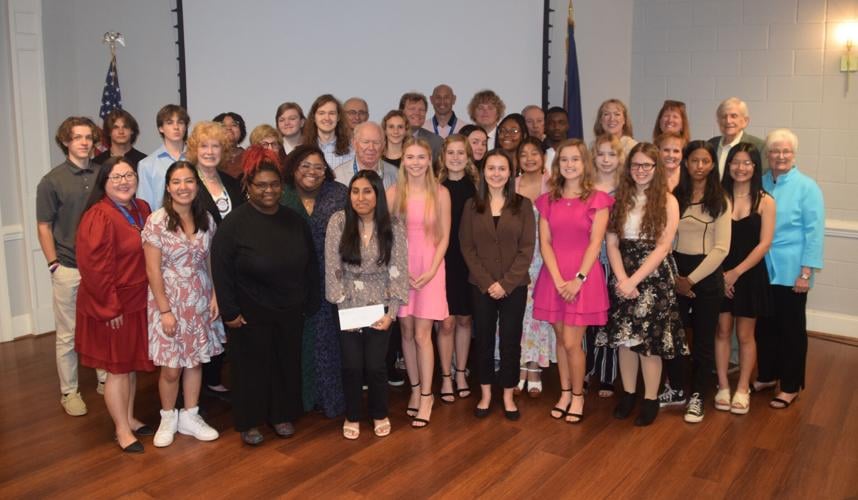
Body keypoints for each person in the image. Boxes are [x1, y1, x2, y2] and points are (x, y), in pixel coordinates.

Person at [211, 147, 320, 445]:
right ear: (248, 186)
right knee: (252, 370)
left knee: (285, 364)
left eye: (274, 185)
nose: (268, 190)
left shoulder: (294, 220)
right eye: (261, 185)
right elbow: (220, 270)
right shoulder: (233, 225)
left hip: (290, 310)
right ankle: (250, 421)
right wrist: (229, 311)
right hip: (249, 314)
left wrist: (310, 301)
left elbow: (311, 263)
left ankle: (281, 415)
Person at [74, 156, 155, 452]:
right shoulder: (99, 215)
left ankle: (130, 418)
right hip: (113, 305)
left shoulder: (142, 208)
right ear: (104, 183)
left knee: (129, 366)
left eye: (129, 175)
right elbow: (95, 268)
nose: (124, 182)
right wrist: (109, 308)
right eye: (116, 177)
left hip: (138, 301)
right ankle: (121, 430)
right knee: (117, 370)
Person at [532, 139, 614, 424]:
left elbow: (595, 243)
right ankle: (565, 393)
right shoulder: (547, 200)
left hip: (583, 278)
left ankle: (578, 396)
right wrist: (557, 280)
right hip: (553, 277)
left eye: (575, 159)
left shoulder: (598, 200)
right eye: (564, 160)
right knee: (560, 339)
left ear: (584, 163)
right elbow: (545, 243)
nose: (569, 164)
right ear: (558, 165)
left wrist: (578, 279)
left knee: (571, 342)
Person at [143, 161, 223, 447]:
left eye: (189, 181)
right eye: (176, 182)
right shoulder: (157, 221)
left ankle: (190, 415)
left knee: (195, 362)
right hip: (169, 301)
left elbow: (210, 260)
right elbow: (152, 269)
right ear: (168, 187)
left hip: (199, 298)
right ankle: (168, 417)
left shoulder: (206, 219)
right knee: (171, 367)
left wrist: (215, 294)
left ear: (196, 185)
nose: (183, 187)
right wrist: (165, 310)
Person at [325, 170, 409, 439]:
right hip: (347, 302)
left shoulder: (393, 225)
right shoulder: (339, 221)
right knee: (351, 366)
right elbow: (333, 268)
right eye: (355, 191)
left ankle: (379, 413)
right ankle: (352, 415)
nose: (360, 197)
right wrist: (343, 310)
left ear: (378, 195)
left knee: (375, 366)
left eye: (367, 191)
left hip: (380, 303)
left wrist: (391, 313)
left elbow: (398, 270)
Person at [607, 143, 685, 426]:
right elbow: (612, 243)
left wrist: (634, 280)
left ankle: (650, 398)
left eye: (646, 166)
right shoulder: (618, 198)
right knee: (626, 340)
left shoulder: (668, 201)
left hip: (653, 277)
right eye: (635, 165)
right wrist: (622, 279)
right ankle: (628, 394)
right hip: (623, 273)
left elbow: (663, 246)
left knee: (649, 343)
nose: (640, 170)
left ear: (656, 168)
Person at [36, 116, 105, 415]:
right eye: (77, 137)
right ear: (66, 141)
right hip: (68, 266)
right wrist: (53, 264)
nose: (84, 142)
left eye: (88, 137)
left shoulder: (103, 174)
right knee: (68, 333)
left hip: (100, 267)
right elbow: (43, 225)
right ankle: (69, 392)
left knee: (102, 325)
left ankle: (105, 378)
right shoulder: (52, 181)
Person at [460, 149, 535, 421]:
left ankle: (507, 394)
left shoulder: (523, 205)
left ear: (510, 173)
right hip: (481, 286)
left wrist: (505, 284)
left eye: (502, 168)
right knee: (484, 340)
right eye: (491, 168)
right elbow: (467, 247)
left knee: (510, 341)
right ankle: (486, 393)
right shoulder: (471, 205)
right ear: (483, 172)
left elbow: (527, 249)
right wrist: (488, 282)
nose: (496, 173)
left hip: (514, 286)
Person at [664, 140, 731, 424]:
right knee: (675, 337)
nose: (699, 166)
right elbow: (666, 240)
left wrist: (690, 280)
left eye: (705, 161)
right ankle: (677, 388)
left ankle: (698, 395)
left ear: (713, 165)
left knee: (703, 340)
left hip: (705, 276)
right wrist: (676, 278)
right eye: (694, 160)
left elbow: (722, 249)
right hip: (676, 273)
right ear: (686, 163)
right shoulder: (675, 196)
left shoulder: (720, 200)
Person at [756, 128, 824, 409]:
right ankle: (767, 375)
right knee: (765, 327)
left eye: (786, 151)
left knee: (791, 330)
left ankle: (790, 385)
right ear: (768, 154)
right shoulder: (760, 182)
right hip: (762, 267)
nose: (780, 156)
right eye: (775, 151)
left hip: (792, 270)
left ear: (794, 155)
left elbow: (814, 232)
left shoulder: (807, 187)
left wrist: (806, 273)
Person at [386, 137, 451, 428]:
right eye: (410, 157)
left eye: (420, 157)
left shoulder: (441, 193)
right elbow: (386, 236)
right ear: (403, 161)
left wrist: (432, 270)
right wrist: (397, 269)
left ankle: (427, 396)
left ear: (429, 160)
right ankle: (414, 389)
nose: (415, 163)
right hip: (401, 269)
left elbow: (445, 236)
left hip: (430, 269)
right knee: (407, 331)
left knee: (424, 334)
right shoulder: (393, 193)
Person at [280, 144, 349, 417]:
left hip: (331, 278)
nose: (312, 171)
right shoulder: (280, 193)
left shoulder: (339, 193)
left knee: (328, 341)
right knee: (295, 341)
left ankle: (329, 398)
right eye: (305, 166)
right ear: (294, 168)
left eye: (318, 167)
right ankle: (299, 400)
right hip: (291, 280)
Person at [714, 143, 774, 415]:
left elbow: (764, 244)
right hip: (719, 273)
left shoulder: (765, 201)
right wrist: (722, 276)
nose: (741, 167)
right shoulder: (718, 197)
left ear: (755, 166)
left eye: (747, 162)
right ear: (728, 166)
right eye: (736, 162)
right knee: (722, 331)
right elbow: (710, 239)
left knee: (745, 334)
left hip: (749, 275)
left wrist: (735, 274)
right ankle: (723, 385)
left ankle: (742, 388)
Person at [186, 121, 244, 399]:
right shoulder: (187, 183)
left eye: (216, 146)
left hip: (232, 264)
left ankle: (214, 378)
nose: (210, 152)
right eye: (204, 146)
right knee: (203, 321)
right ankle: (196, 388)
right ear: (195, 149)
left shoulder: (231, 183)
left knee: (224, 320)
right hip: (199, 265)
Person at [436, 135, 479, 404]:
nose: (455, 157)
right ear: (443, 156)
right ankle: (445, 376)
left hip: (469, 262)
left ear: (468, 156)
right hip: (442, 261)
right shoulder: (435, 187)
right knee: (446, 322)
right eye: (450, 153)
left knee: (464, 319)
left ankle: (461, 372)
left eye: (460, 153)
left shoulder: (477, 188)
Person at [514, 137, 554, 396]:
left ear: (543, 157)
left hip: (544, 256)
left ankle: (535, 366)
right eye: (523, 154)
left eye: (534, 154)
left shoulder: (552, 183)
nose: (529, 159)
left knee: (537, 313)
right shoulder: (512, 184)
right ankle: (520, 364)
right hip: (517, 257)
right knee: (518, 312)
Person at [586, 134, 625, 398]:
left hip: (614, 259)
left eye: (612, 154)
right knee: (587, 317)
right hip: (587, 260)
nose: (606, 159)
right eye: (601, 154)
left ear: (619, 158)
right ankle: (585, 370)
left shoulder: (625, 189)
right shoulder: (584, 187)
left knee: (611, 316)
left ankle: (607, 374)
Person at [137, 104, 189, 210]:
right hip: (161, 219)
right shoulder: (147, 165)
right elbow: (144, 206)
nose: (176, 127)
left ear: (186, 127)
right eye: (170, 123)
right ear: (161, 128)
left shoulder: (197, 159)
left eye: (180, 122)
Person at [707, 97, 766, 178]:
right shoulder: (711, 144)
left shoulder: (759, 146)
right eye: (724, 117)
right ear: (718, 121)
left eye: (733, 116)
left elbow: (762, 177)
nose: (728, 121)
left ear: (745, 121)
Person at [333, 122, 398, 189]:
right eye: (365, 142)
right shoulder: (338, 176)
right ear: (354, 143)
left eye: (376, 142)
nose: (371, 148)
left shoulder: (395, 174)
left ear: (383, 145)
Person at [302, 94, 354, 169]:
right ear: (314, 117)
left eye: (332, 113)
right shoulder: (302, 150)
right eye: (321, 113)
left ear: (338, 117)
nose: (327, 118)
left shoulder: (352, 150)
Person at [399, 92, 443, 159]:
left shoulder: (437, 142)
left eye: (421, 110)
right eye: (412, 109)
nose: (417, 113)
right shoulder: (389, 139)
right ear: (401, 112)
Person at [213, 112, 247, 180]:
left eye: (234, 125)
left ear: (241, 130)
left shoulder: (249, 157)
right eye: (223, 125)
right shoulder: (210, 156)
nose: (229, 128)